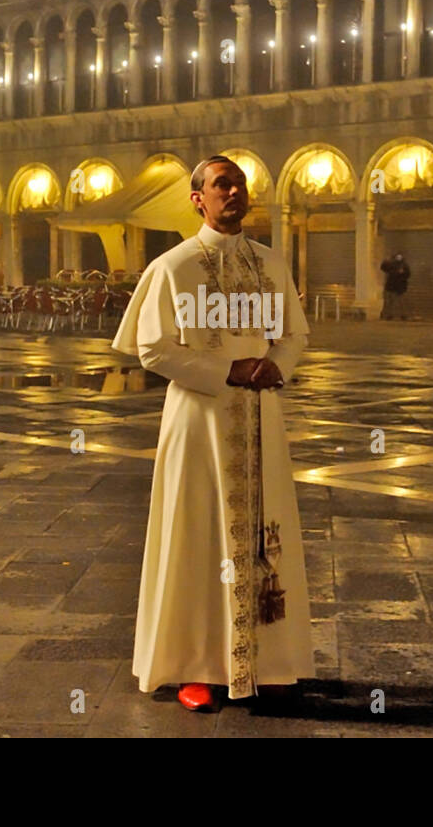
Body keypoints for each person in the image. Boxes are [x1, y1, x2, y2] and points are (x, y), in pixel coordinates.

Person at [112, 155, 314, 712]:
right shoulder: (173, 267)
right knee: (197, 536)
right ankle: (191, 667)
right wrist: (225, 371)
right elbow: (153, 348)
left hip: (258, 416)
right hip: (199, 417)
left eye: (240, 183)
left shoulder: (271, 264)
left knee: (262, 535)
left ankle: (269, 662)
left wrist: (278, 364)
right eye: (222, 184)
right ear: (198, 199)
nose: (234, 192)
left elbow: (293, 333)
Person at [380, 253, 411, 320]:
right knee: (391, 302)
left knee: (400, 302)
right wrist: (385, 261)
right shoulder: (391, 265)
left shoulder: (404, 265)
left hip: (399, 287)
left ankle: (403, 315)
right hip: (392, 286)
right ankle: (389, 315)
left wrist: (403, 273)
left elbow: (408, 274)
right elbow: (383, 268)